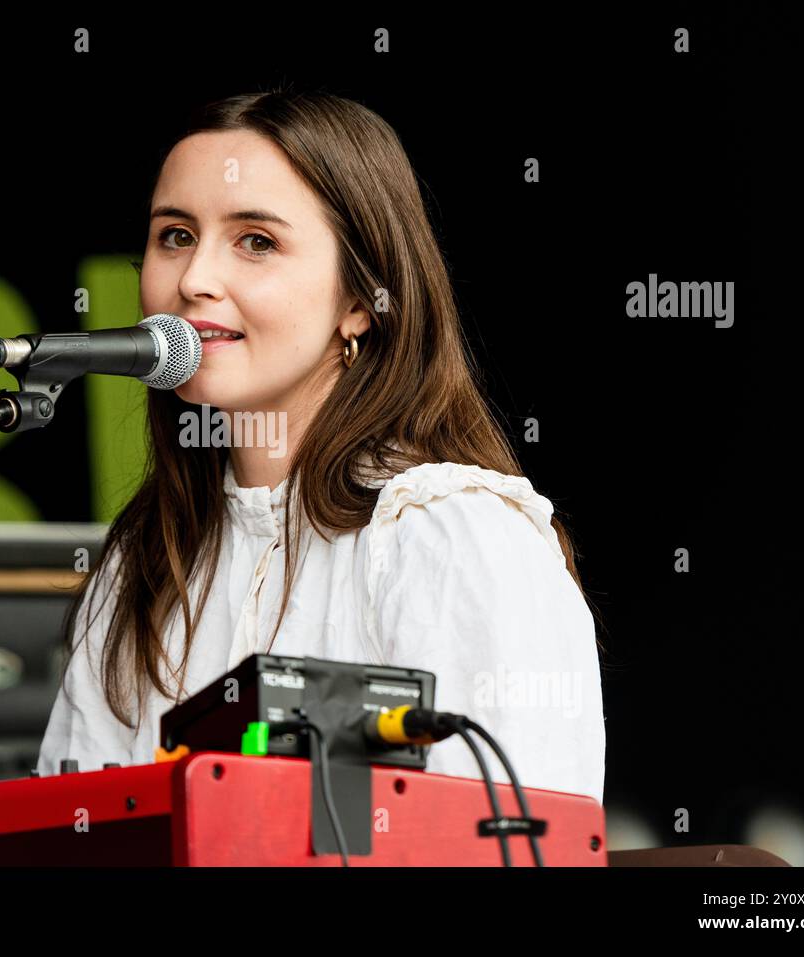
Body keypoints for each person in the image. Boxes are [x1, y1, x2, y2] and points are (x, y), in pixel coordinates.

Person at [36, 90, 605, 804]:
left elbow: (516, 841)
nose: (193, 280)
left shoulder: (454, 534)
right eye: (176, 234)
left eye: (257, 241)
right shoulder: (145, 558)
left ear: (362, 300)